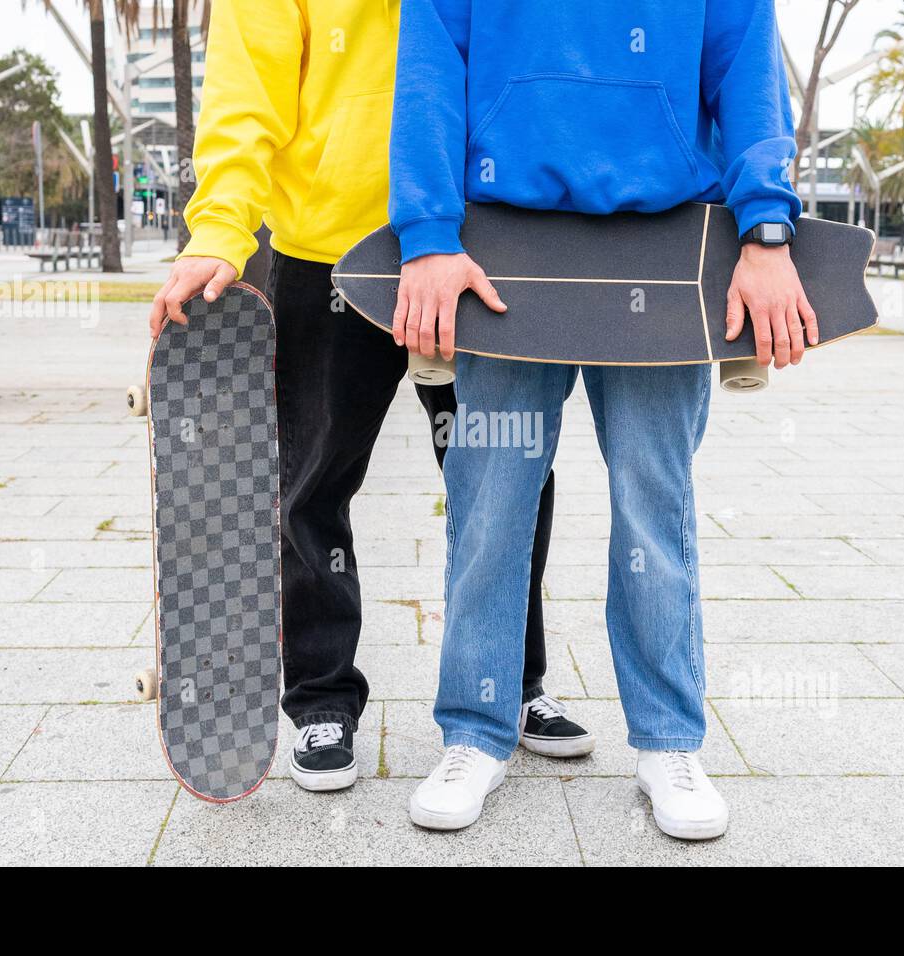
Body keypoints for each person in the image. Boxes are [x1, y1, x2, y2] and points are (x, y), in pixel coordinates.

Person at [390, 0, 816, 838]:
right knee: (487, 508)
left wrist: (766, 228)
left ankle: (668, 742)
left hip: (664, 251)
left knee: (655, 508)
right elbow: (430, 68)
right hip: (507, 250)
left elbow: (747, 67)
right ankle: (477, 731)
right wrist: (428, 232)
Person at [148, 0, 593, 795]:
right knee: (313, 483)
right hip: (330, 255)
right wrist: (219, 230)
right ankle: (321, 700)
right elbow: (245, 96)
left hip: (469, 251)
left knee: (508, 477)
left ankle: (509, 683)